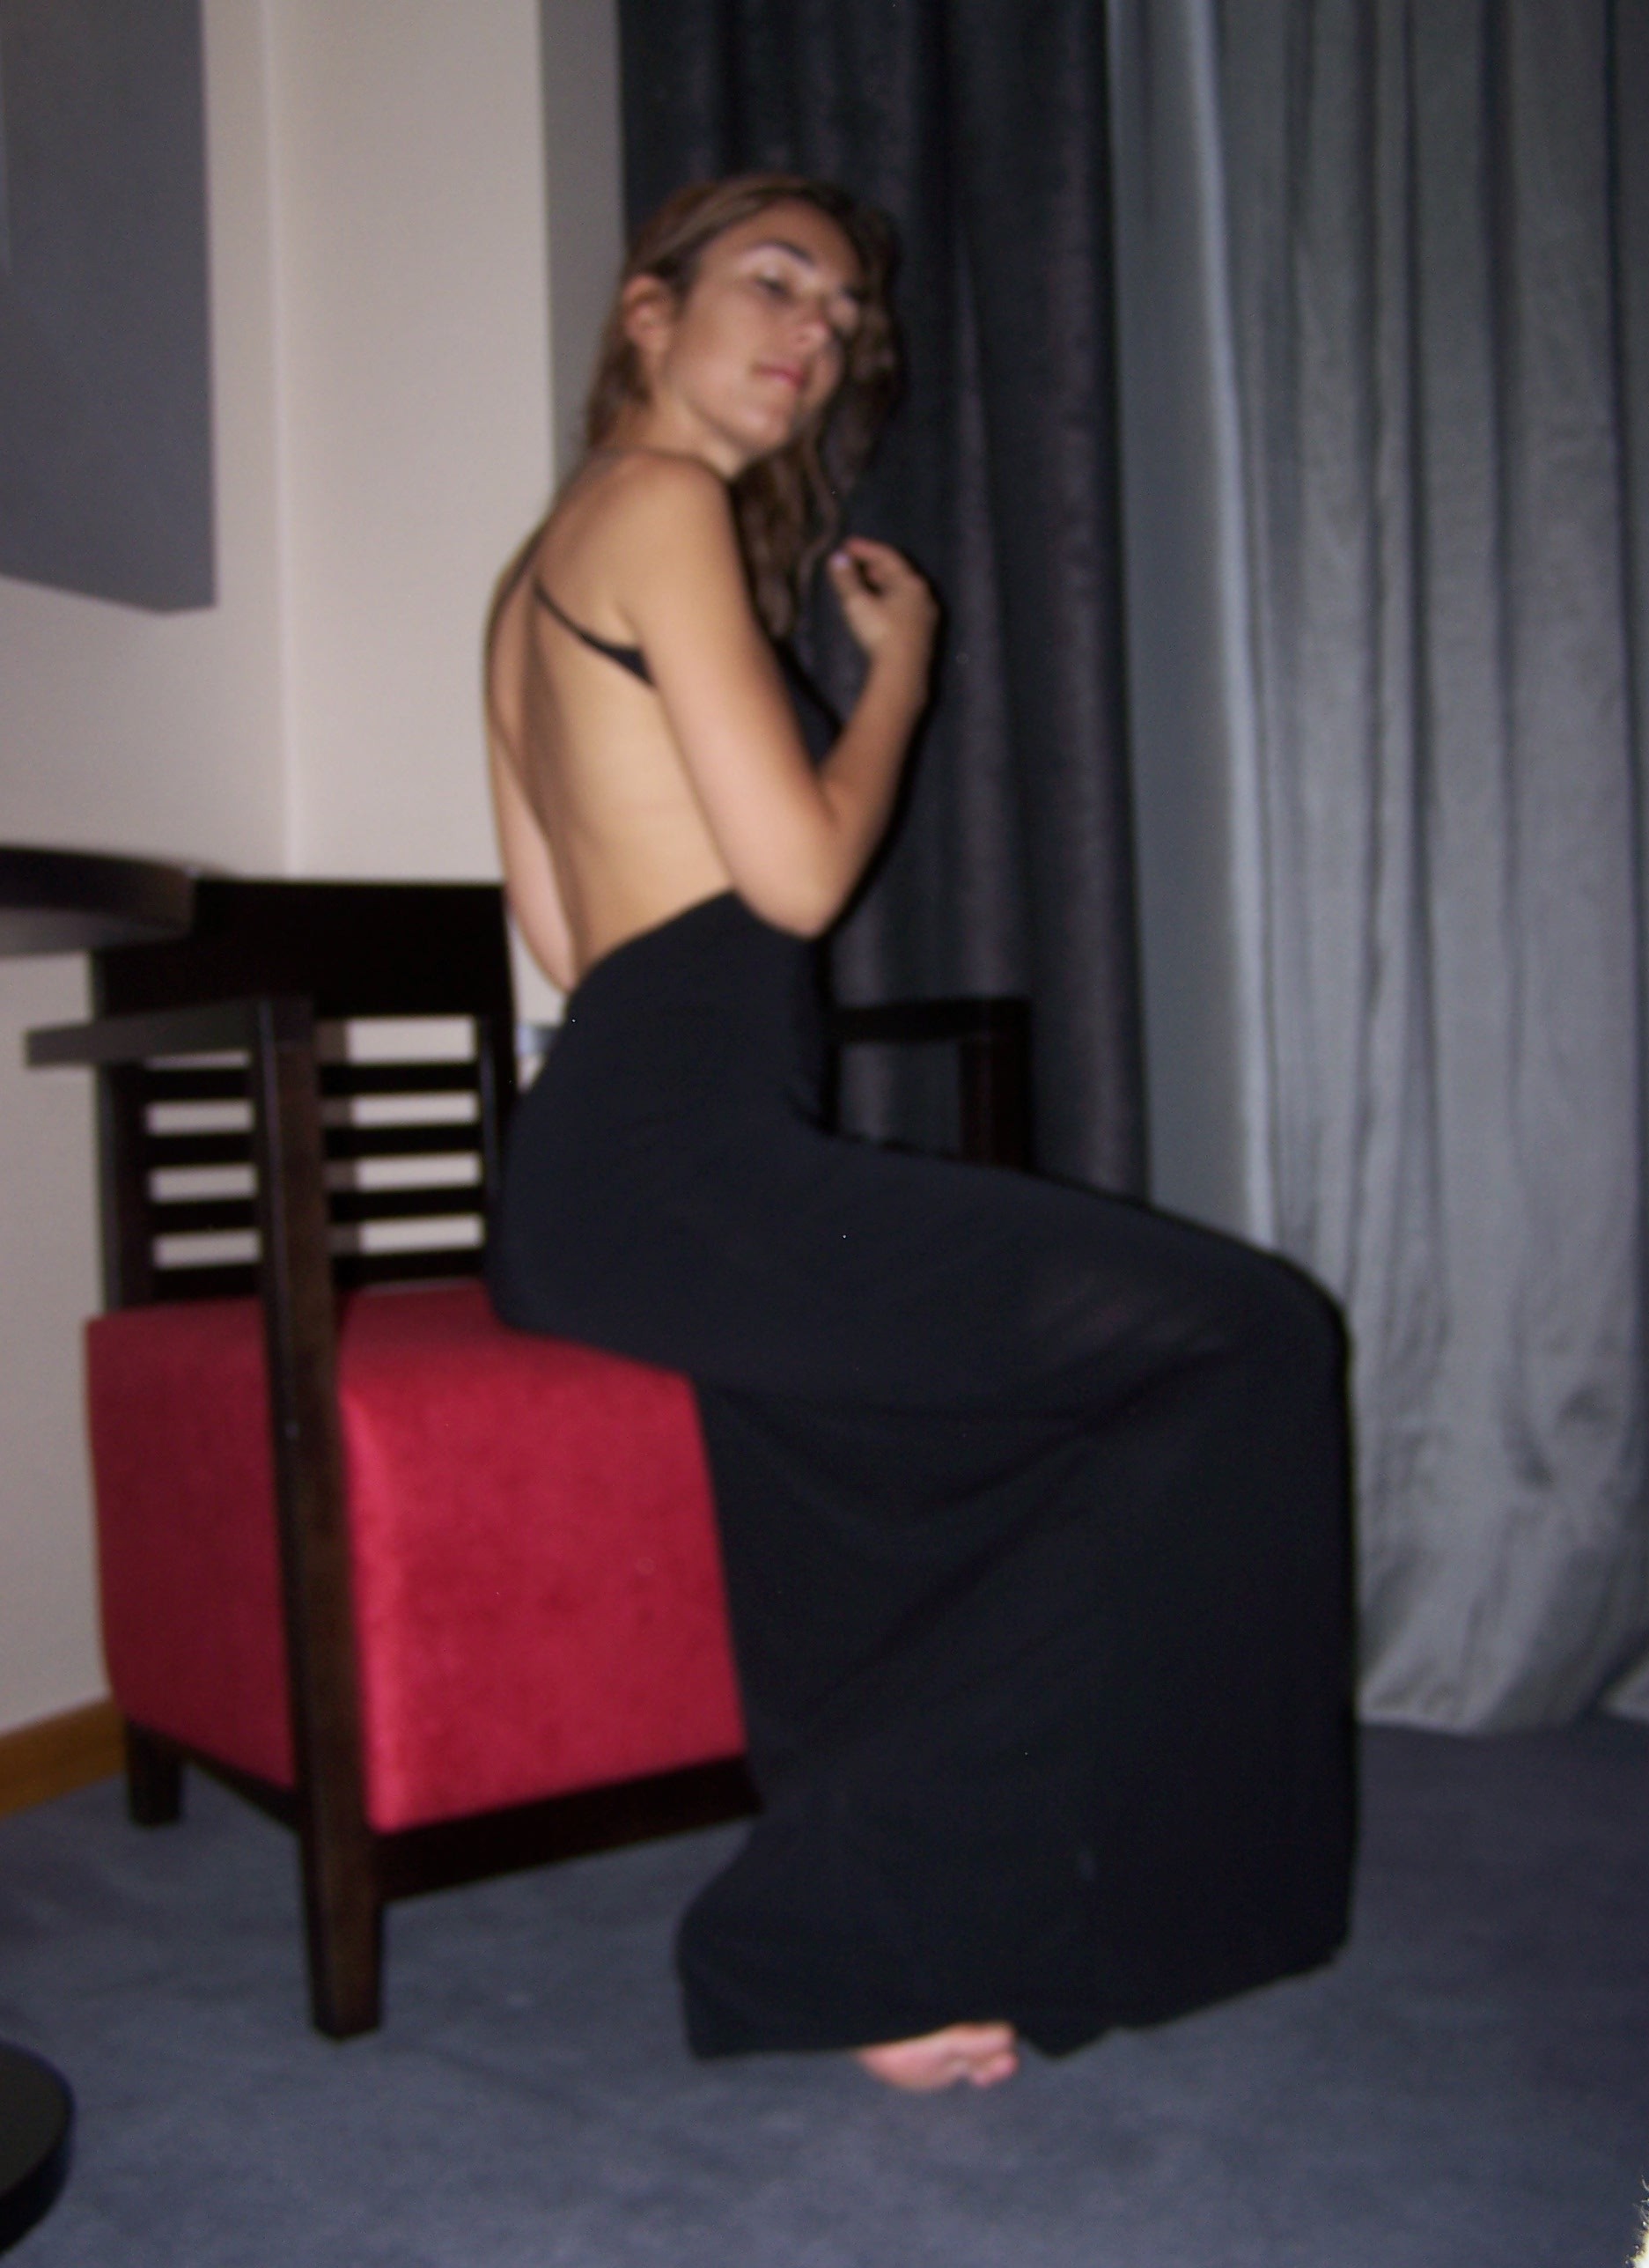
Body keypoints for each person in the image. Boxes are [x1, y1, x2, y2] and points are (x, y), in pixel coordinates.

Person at [484, 174, 1356, 2094]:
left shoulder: (533, 571)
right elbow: (798, 879)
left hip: (604, 1171)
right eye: (773, 280)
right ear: (647, 311)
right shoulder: (660, 504)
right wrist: (901, 680)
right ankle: (821, 1921)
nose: (815, 331)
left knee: (889, 1468)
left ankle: (896, 1934)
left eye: (841, 314)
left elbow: (563, 934)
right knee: (1247, 1340)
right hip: (686, 1165)